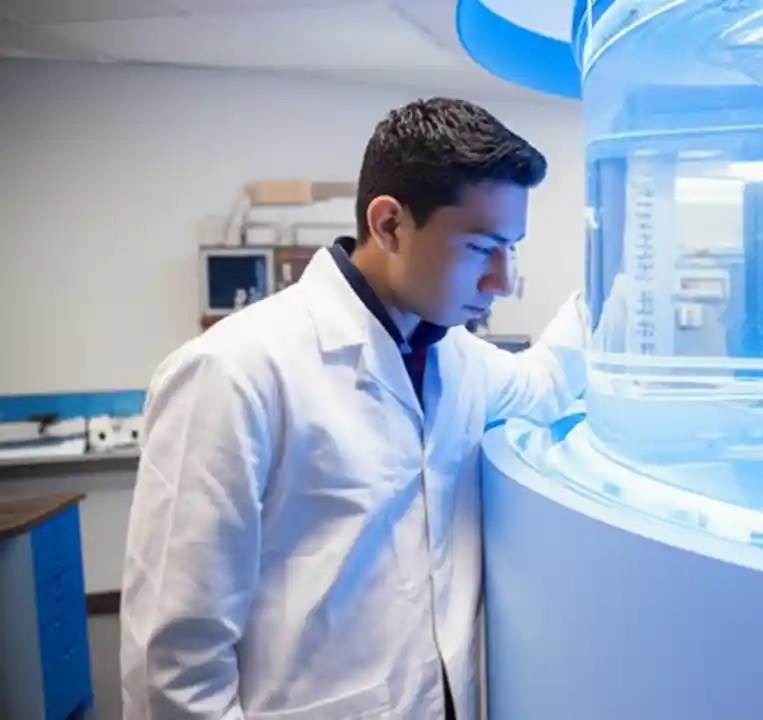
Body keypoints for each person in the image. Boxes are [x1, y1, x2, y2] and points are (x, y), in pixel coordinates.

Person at [120, 98, 589, 720]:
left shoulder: (456, 358)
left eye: (511, 249)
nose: (501, 281)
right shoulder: (234, 372)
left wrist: (625, 275)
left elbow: (547, 381)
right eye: (481, 248)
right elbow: (175, 655)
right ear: (391, 224)